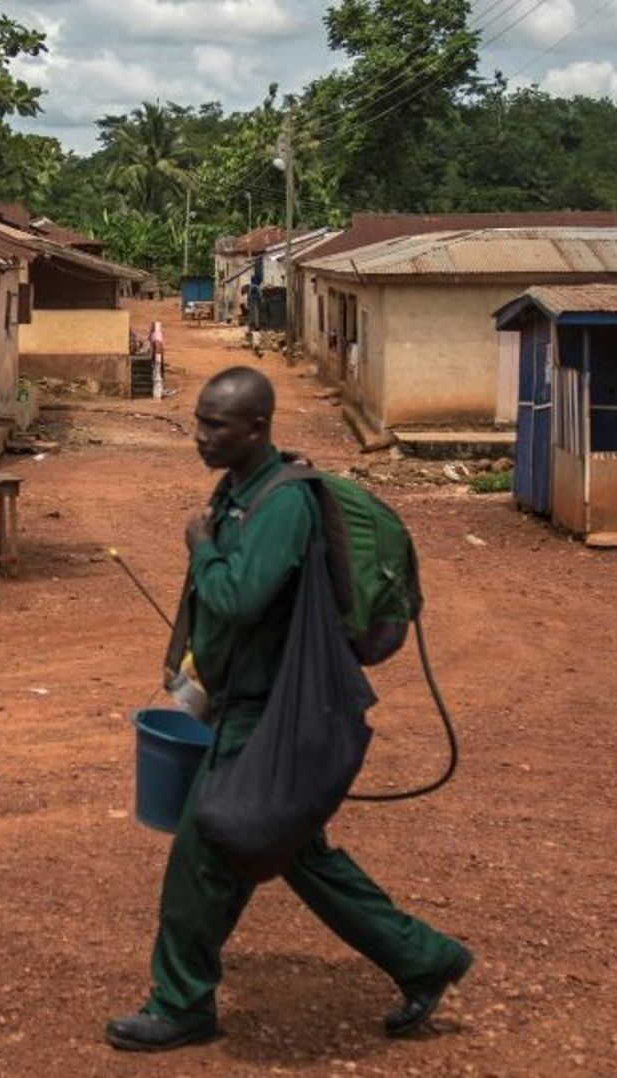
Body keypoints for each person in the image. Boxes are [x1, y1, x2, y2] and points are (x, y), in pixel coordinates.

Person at [105, 366, 471, 1054]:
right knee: (294, 850)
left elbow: (240, 600)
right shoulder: (241, 490)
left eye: (216, 425)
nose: (201, 437)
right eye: (200, 421)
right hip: (242, 707)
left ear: (258, 428)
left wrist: (200, 546)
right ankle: (423, 958)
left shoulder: (281, 504)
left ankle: (180, 1003)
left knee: (204, 853)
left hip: (272, 716)